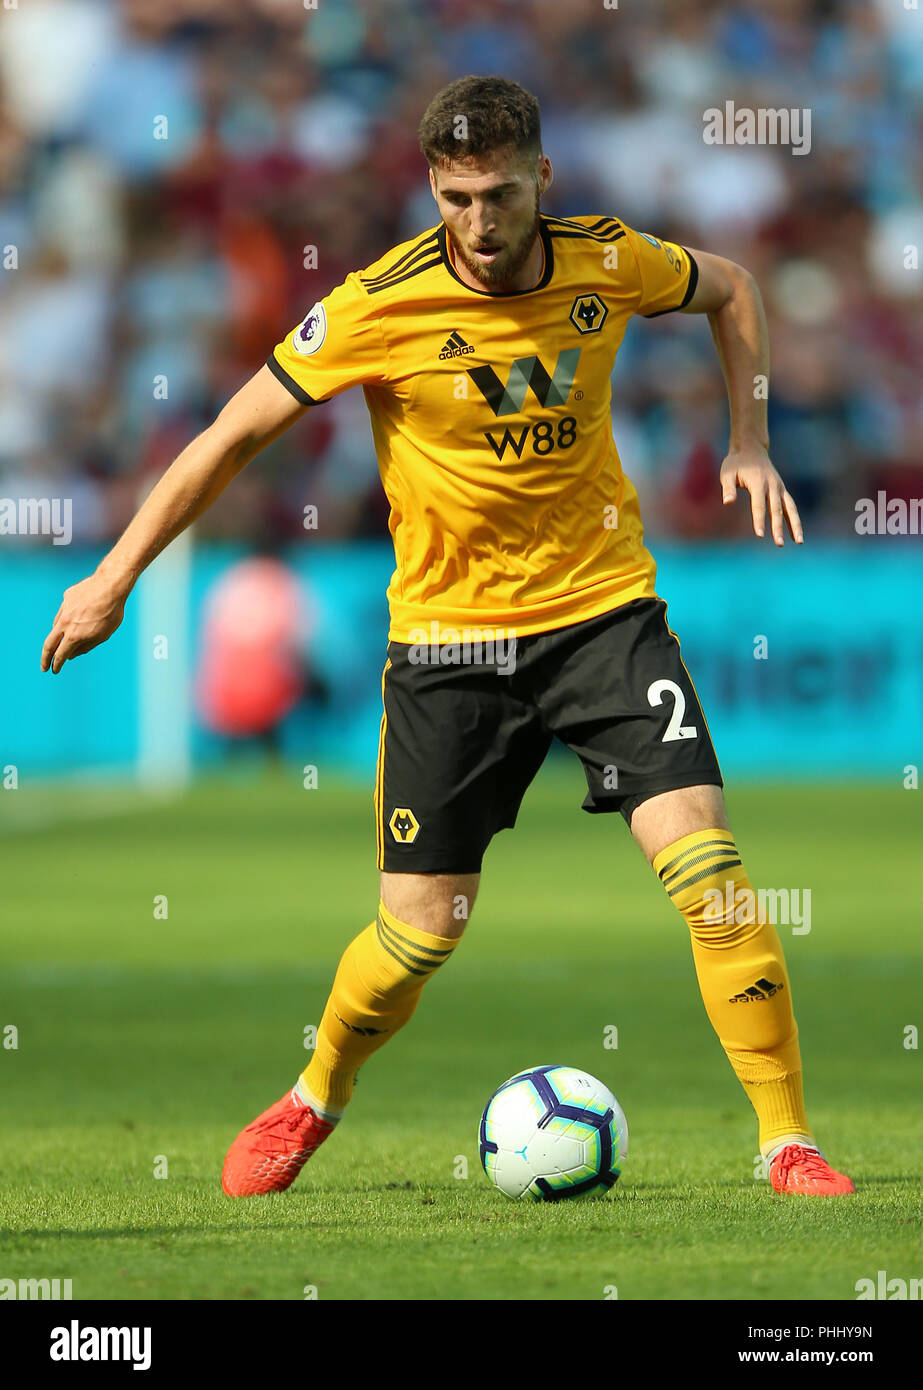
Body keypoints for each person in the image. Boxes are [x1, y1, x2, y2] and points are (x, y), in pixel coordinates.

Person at [41, 75, 854, 1199]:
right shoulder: (379, 303)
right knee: (419, 933)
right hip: (447, 645)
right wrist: (113, 575)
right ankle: (314, 1092)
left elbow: (732, 288)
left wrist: (748, 437)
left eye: (501, 193)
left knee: (711, 875)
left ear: (542, 180)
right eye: (457, 196)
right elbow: (230, 434)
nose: (479, 220)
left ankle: (785, 1141)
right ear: (433, 186)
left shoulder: (607, 259)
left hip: (602, 617)